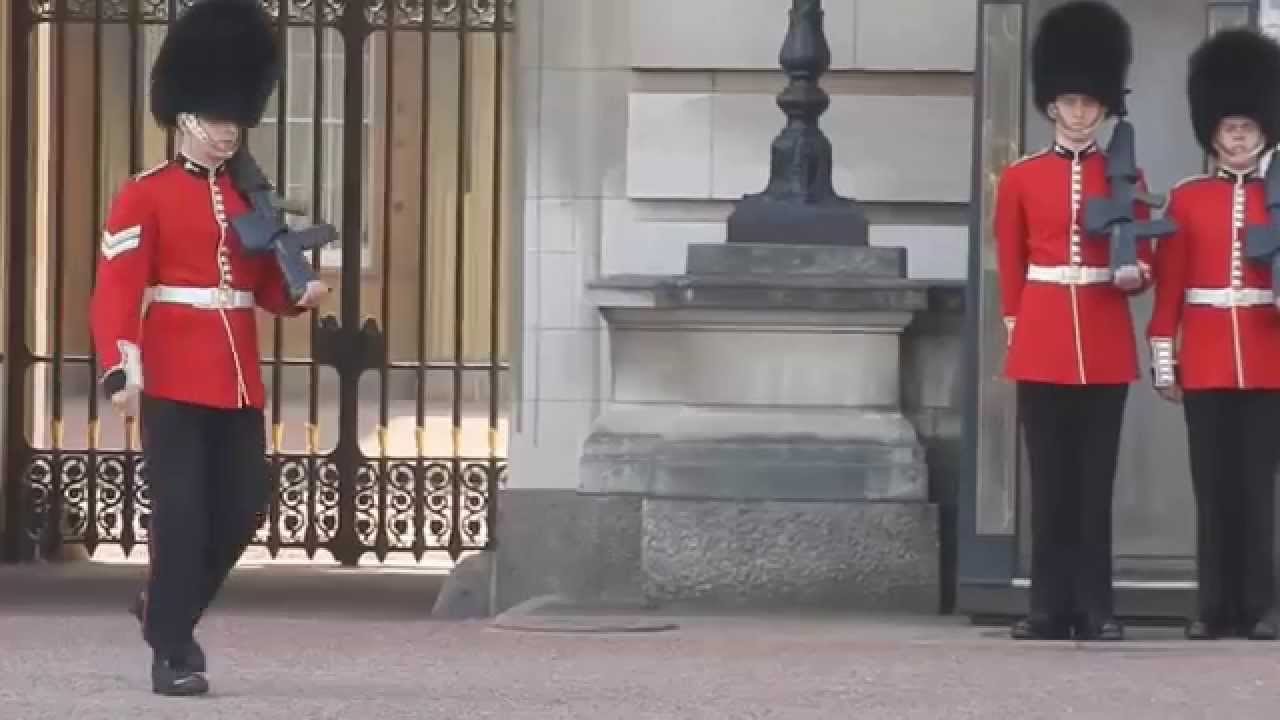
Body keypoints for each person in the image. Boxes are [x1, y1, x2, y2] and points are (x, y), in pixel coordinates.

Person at [88, 0, 327, 695]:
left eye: (236, 121)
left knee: (245, 508)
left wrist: (297, 294)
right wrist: (118, 367)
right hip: (171, 375)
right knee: (183, 514)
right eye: (219, 119)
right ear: (186, 116)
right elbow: (115, 290)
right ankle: (173, 653)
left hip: (237, 378)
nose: (229, 132)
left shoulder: (252, 199)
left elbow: (259, 285)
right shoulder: (145, 195)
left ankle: (164, 611)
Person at [996, 1, 1157, 641]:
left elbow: (1145, 252)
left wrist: (1136, 273)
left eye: (1090, 103)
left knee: (1096, 482)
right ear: (1051, 105)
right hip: (1041, 336)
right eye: (1069, 102)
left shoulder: (1126, 174)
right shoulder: (1021, 178)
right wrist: (1015, 324)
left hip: (1103, 333)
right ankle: (1047, 606)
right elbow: (1010, 262)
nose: (1080, 112)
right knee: (1050, 480)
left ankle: (1096, 605)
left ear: (1103, 105)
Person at [1147, 27, 1280, 642]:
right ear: (1212, 133)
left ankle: (1260, 604)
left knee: (1258, 491)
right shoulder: (1186, 197)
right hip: (1203, 357)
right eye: (1229, 128)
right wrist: (1164, 359)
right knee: (1212, 489)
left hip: (1266, 356)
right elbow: (1169, 288)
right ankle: (1213, 605)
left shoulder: (1277, 200)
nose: (1237, 137)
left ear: (1263, 132)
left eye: (1248, 129)